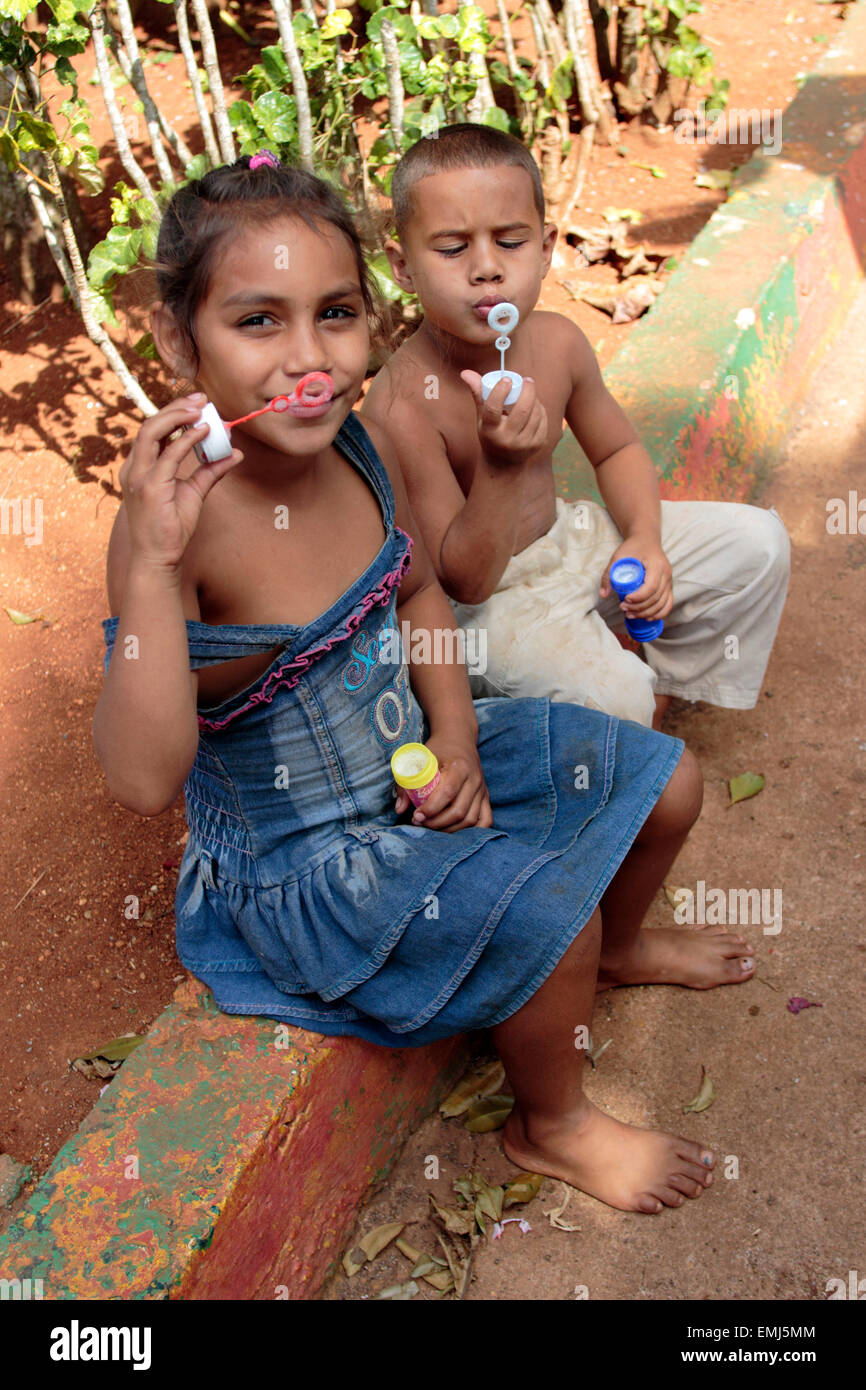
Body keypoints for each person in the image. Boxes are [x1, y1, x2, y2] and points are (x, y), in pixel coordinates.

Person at [93, 153, 757, 1216]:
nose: (306, 357)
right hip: (309, 863)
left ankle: (622, 945)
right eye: (257, 322)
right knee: (549, 911)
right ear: (178, 340)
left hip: (416, 766)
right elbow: (140, 775)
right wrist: (149, 569)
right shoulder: (177, 525)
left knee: (666, 782)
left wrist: (453, 734)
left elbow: (418, 598)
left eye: (336, 314)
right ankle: (555, 1123)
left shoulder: (354, 448)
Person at [361, 123, 790, 729]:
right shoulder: (402, 405)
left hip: (572, 538)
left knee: (757, 547)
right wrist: (502, 467)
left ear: (545, 248)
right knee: (612, 703)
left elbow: (616, 450)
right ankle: (591, 715)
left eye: (509, 241)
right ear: (403, 267)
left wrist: (644, 537)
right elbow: (465, 580)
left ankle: (661, 682)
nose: (486, 269)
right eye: (453, 249)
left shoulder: (558, 342)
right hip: (491, 609)